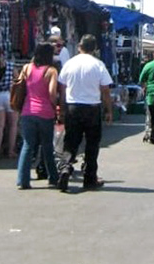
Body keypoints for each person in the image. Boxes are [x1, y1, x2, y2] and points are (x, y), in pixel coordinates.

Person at [57, 33, 113, 191]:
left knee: (71, 142)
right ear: (94, 49)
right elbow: (105, 90)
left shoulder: (70, 64)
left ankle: (65, 167)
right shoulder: (98, 65)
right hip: (92, 108)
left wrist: (61, 108)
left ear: (79, 46)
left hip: (73, 107)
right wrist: (109, 110)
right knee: (92, 144)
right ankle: (89, 177)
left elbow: (62, 88)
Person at [15, 42, 59, 190]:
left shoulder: (26, 68)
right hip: (45, 113)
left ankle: (22, 180)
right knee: (47, 146)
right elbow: (52, 93)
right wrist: (55, 107)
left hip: (27, 112)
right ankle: (53, 177)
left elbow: (20, 85)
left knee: (27, 145)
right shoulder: (51, 71)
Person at [0, 61, 19, 159]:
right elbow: (18, 80)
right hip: (9, 95)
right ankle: (10, 151)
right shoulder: (10, 65)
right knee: (13, 125)